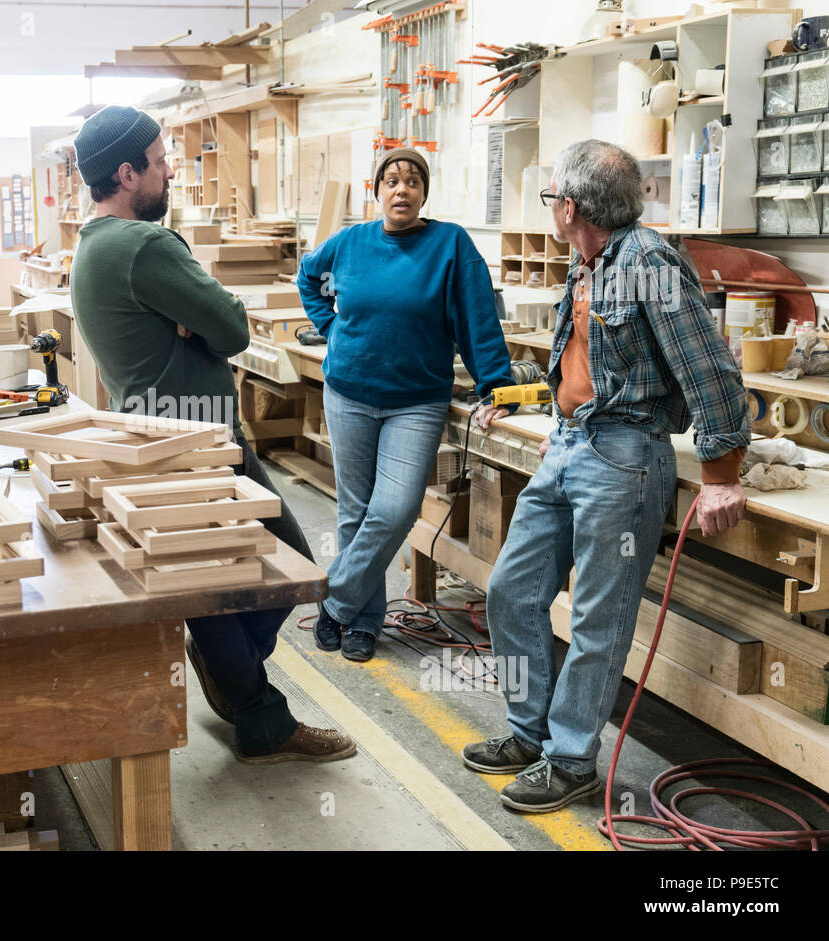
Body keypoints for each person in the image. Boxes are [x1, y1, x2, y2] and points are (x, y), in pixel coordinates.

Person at [463, 139, 750, 813]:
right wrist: (543, 401)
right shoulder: (587, 261)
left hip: (623, 458)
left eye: (549, 199)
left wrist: (719, 473)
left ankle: (569, 759)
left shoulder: (648, 260)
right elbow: (589, 362)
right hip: (570, 445)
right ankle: (529, 733)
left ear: (569, 205)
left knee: (598, 614)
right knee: (511, 587)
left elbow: (712, 371)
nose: (549, 211)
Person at [68, 104, 356, 765]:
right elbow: (231, 326)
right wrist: (204, 315)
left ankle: (232, 673)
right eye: (161, 160)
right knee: (290, 568)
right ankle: (253, 704)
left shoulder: (90, 249)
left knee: (216, 585)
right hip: (198, 449)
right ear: (126, 171)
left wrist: (191, 317)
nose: (170, 171)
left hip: (157, 446)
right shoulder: (144, 246)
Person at [297, 148, 516, 663]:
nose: (402, 190)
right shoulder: (350, 243)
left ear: (424, 193)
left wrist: (497, 385)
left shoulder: (449, 245)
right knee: (356, 512)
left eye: (413, 181)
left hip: (415, 401)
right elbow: (309, 278)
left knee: (395, 509)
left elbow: (477, 319)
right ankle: (364, 623)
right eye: (392, 181)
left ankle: (335, 603)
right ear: (378, 191)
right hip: (348, 392)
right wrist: (331, 328)